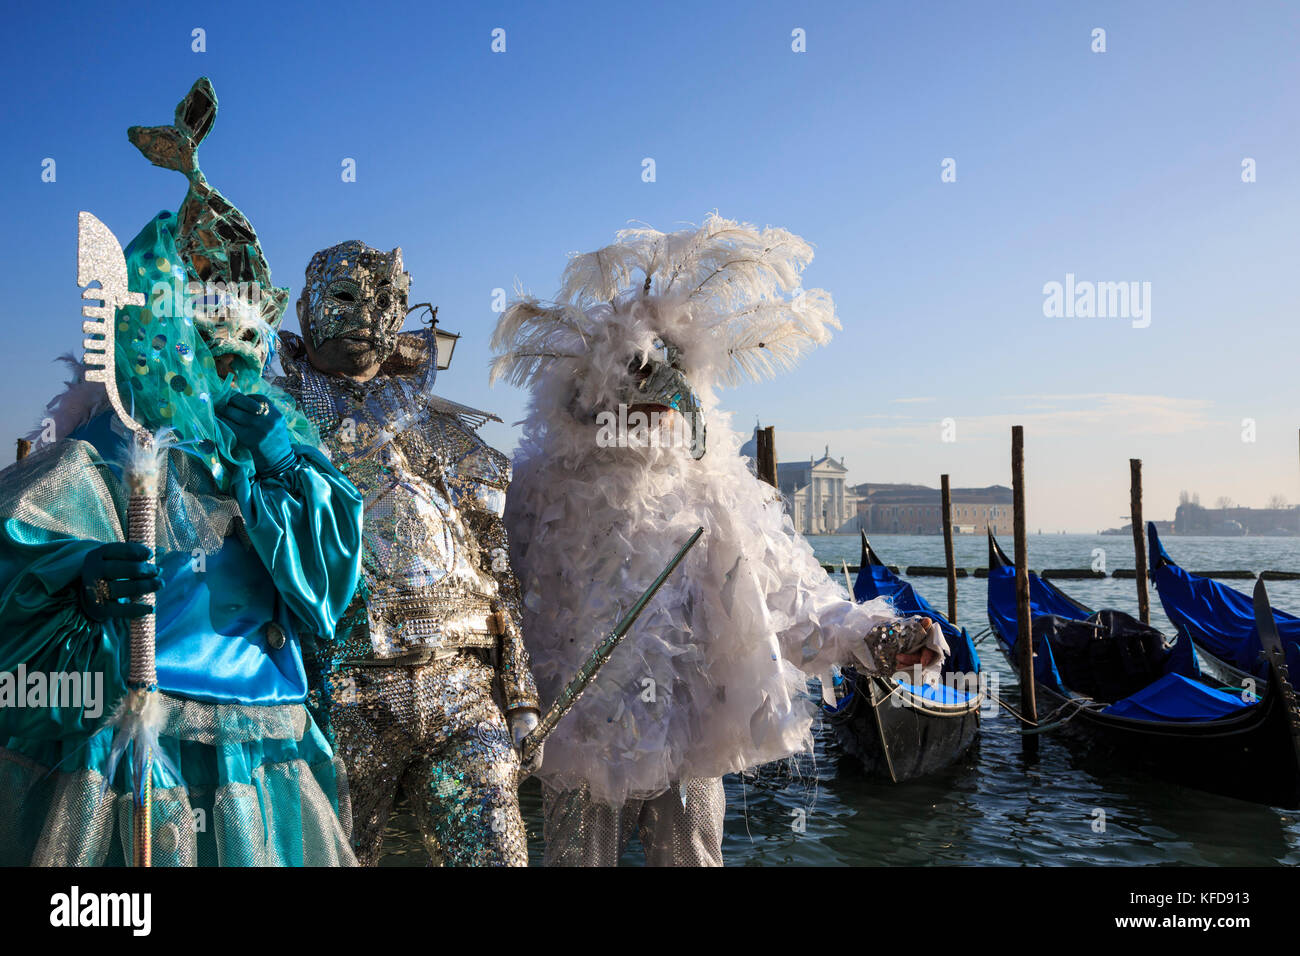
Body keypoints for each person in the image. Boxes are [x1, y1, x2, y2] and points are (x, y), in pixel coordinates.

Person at [492, 214, 945, 866]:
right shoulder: (539, 488)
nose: (658, 410)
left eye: (672, 393)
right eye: (638, 385)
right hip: (582, 737)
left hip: (686, 732)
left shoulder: (714, 487)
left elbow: (782, 590)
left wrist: (869, 636)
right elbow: (495, 595)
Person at [0, 78, 362, 866]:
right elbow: (14, 560)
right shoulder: (107, 450)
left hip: (261, 745)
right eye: (212, 343)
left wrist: (274, 458)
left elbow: (330, 588)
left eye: (246, 348)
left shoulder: (276, 456)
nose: (232, 367)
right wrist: (84, 575)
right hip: (132, 745)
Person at [274, 240, 541, 866]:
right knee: (330, 857)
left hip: (463, 688)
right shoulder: (272, 425)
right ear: (308, 309)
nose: (366, 317)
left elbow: (496, 563)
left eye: (385, 304)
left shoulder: (445, 435)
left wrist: (521, 691)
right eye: (346, 299)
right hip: (335, 691)